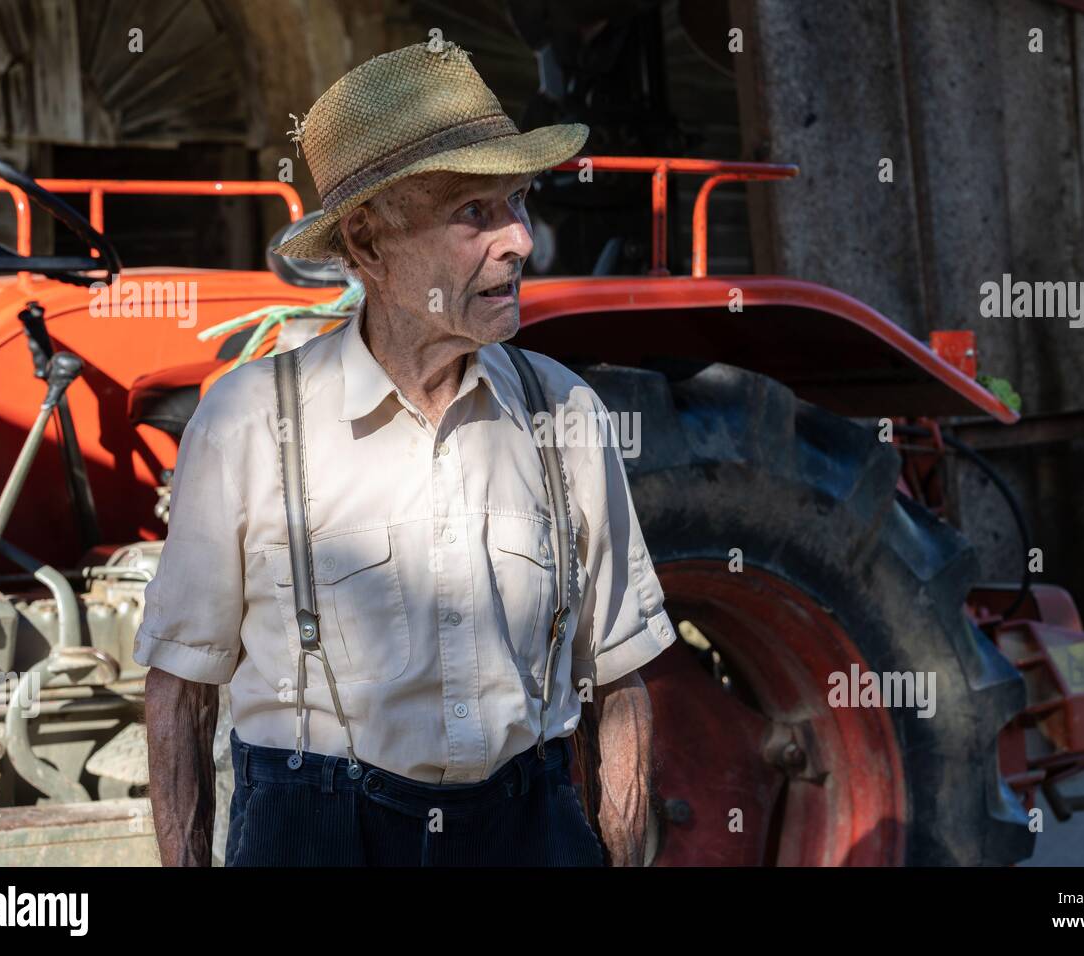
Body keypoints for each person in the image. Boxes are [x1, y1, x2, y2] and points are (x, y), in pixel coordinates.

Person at [134, 39, 678, 867]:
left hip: (526, 823)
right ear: (367, 242)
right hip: (314, 828)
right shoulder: (249, 420)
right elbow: (180, 690)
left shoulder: (563, 410)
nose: (522, 242)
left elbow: (621, 673)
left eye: (519, 203)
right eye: (474, 214)